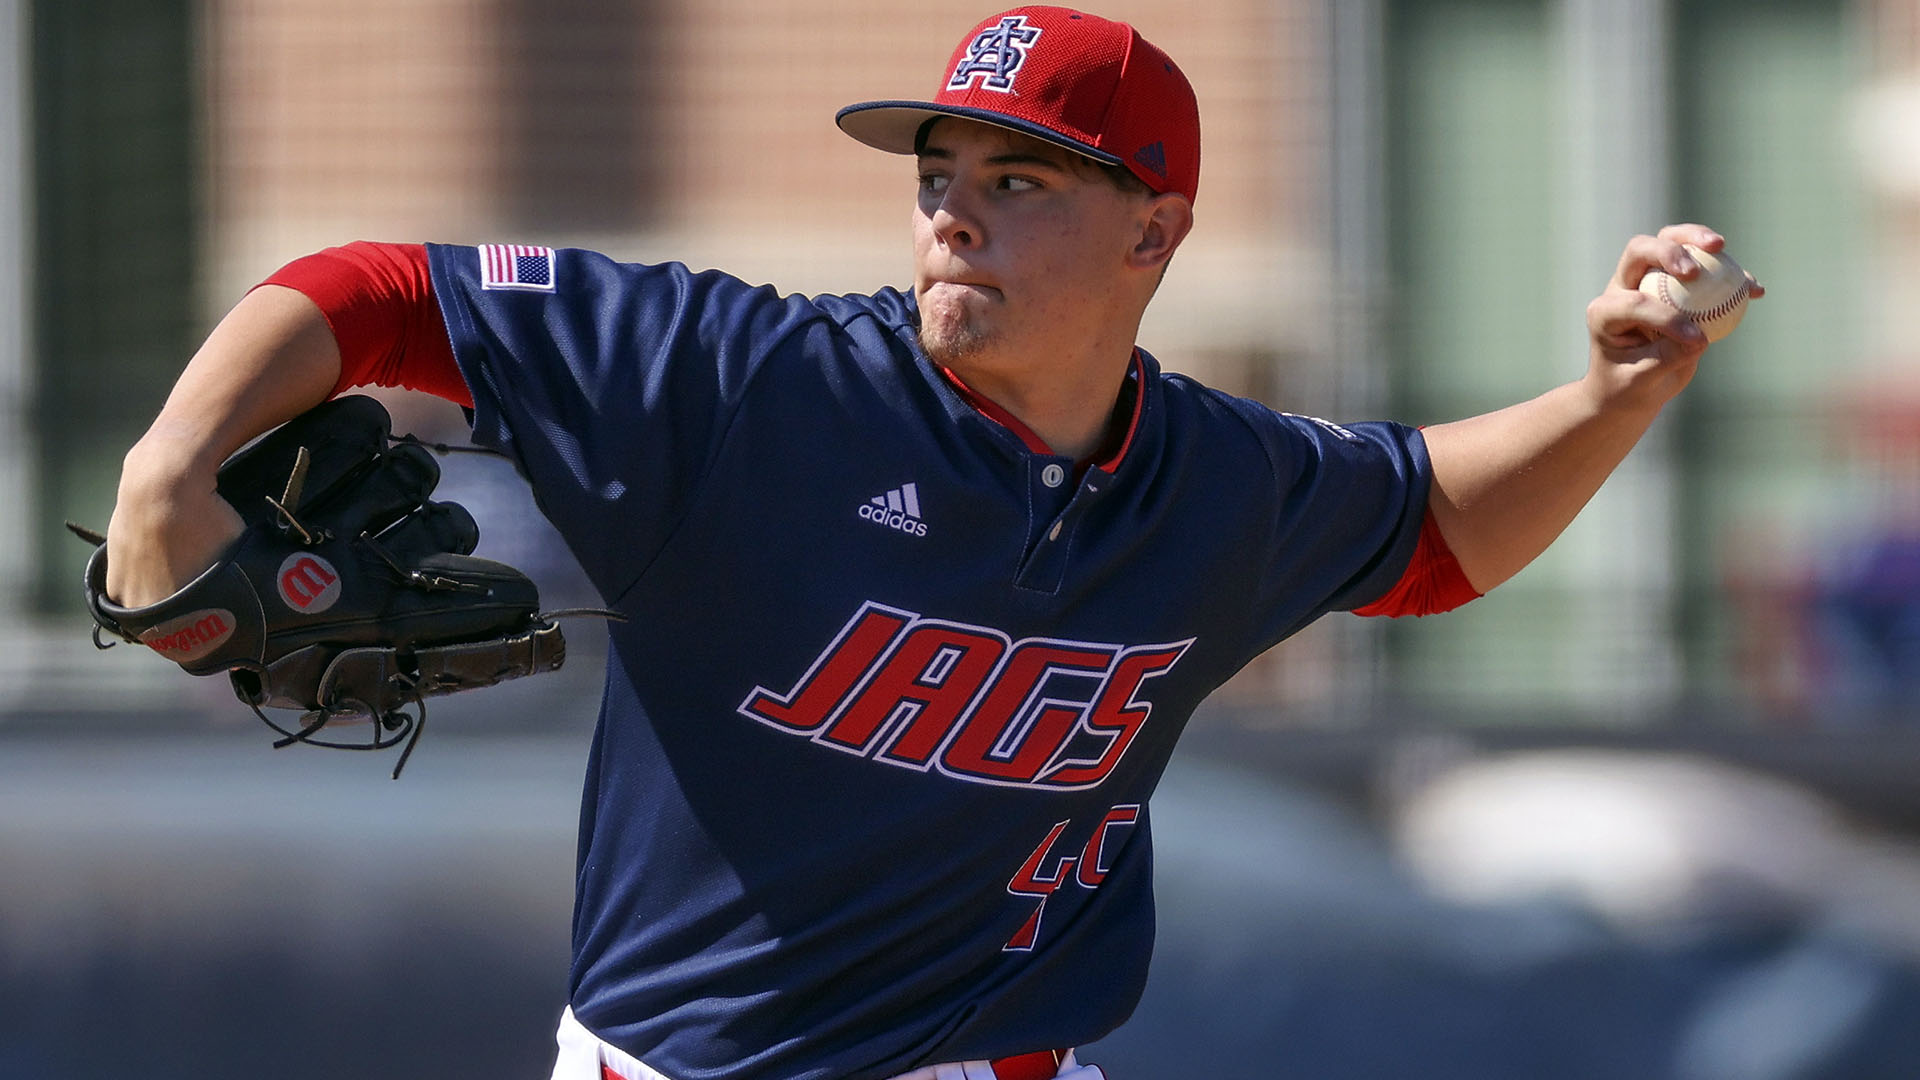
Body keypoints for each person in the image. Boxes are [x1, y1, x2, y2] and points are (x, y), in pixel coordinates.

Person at [101, 7, 1759, 1079]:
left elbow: (1432, 531)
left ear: (1157, 229)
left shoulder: (1218, 483)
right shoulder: (745, 381)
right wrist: (170, 467)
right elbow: (377, 292)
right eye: (939, 170)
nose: (954, 207)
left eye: (1023, 177)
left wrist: (1617, 390)